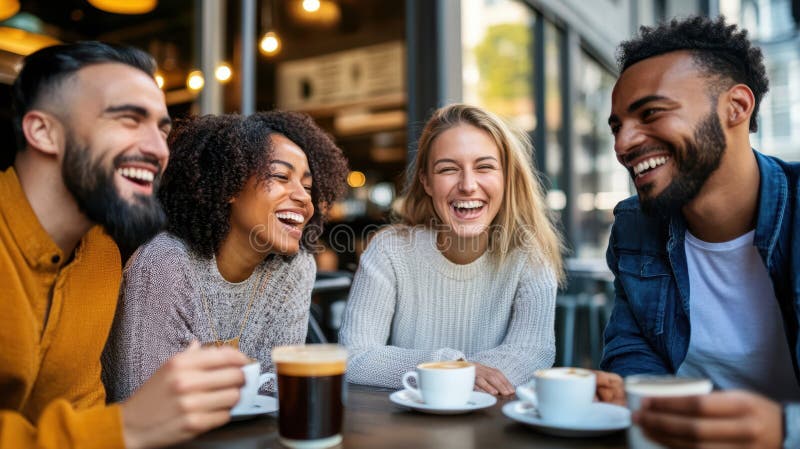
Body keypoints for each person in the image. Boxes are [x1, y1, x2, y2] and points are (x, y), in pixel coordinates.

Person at [0, 42, 255, 449]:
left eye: (161, 129)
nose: (158, 150)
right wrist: (127, 425)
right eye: (128, 120)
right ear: (43, 131)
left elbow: (80, 405)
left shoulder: (100, 254)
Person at [598, 16, 800, 448]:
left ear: (737, 107)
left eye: (650, 113)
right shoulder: (635, 225)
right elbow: (631, 351)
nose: (623, 144)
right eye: (617, 126)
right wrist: (647, 404)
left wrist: (783, 430)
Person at [102, 111, 349, 401]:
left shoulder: (294, 268)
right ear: (229, 185)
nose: (304, 198)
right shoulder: (164, 263)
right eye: (281, 176)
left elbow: (275, 392)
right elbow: (140, 402)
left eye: (307, 187)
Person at [339, 104, 563, 395]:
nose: (468, 185)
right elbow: (354, 357)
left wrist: (443, 372)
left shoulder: (530, 256)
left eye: (484, 167)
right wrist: (448, 366)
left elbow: (532, 353)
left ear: (507, 177)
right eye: (448, 169)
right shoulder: (389, 251)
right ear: (426, 182)